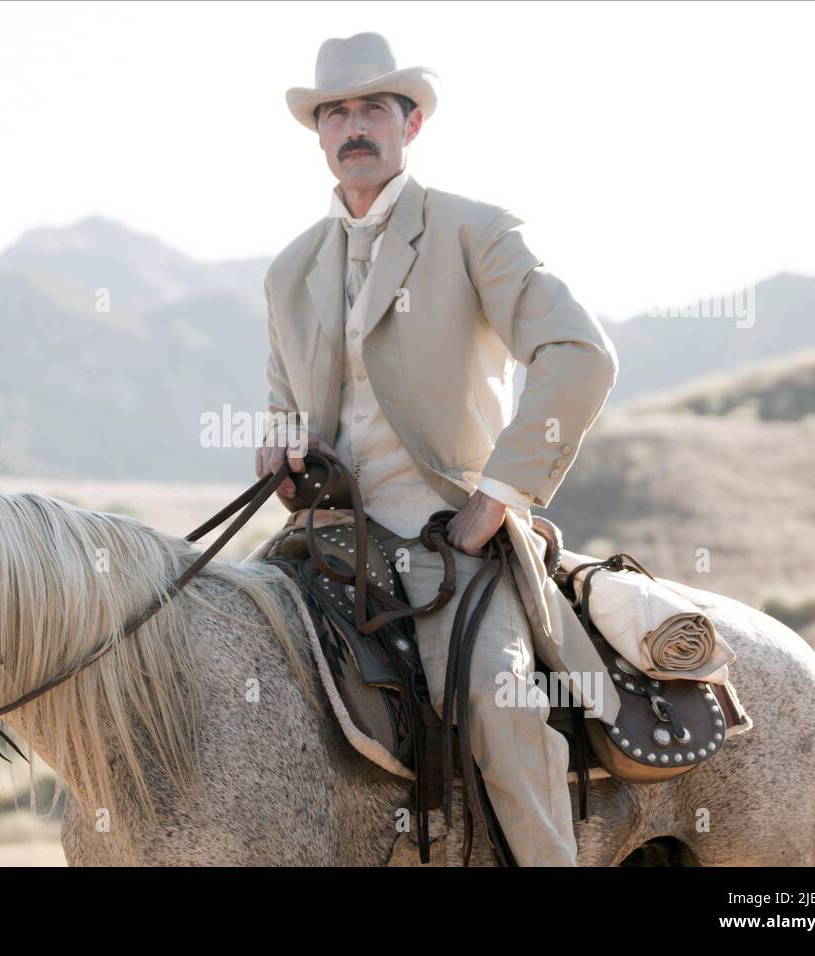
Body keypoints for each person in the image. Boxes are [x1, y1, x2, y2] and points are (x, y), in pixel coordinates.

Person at [254, 32, 619, 865]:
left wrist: (500, 495)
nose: (354, 126)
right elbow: (284, 407)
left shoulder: (472, 231)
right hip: (325, 539)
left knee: (497, 697)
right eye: (336, 111)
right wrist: (281, 446)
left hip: (445, 536)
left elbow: (580, 356)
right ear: (317, 133)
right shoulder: (287, 272)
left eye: (373, 108)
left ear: (409, 124)